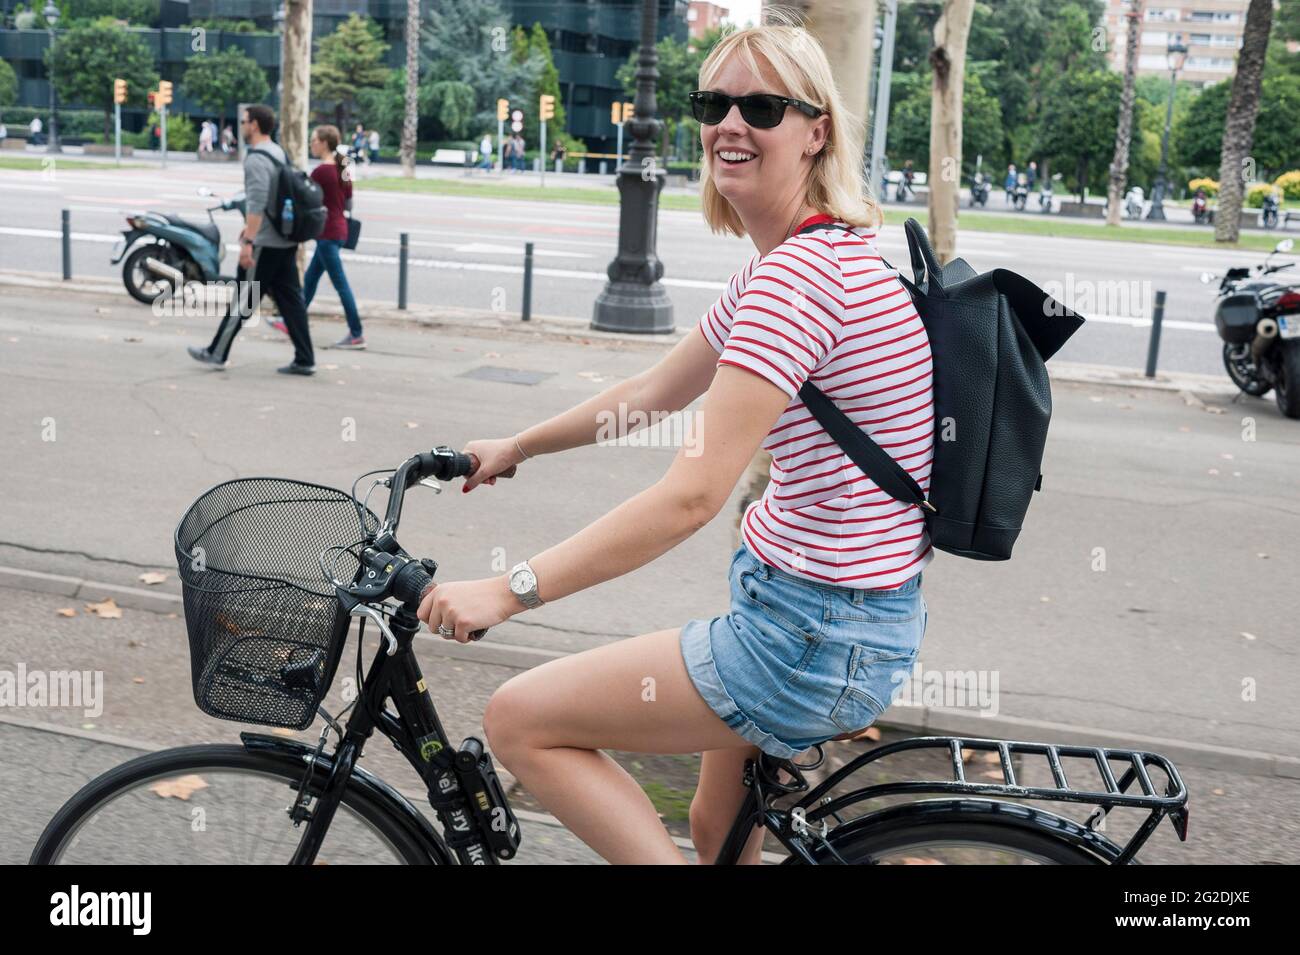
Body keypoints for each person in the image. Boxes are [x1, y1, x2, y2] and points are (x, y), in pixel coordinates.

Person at [418, 16, 933, 864]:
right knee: (717, 832)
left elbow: (689, 497)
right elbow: (649, 394)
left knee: (519, 718)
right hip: (839, 620)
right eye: (715, 102)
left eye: (762, 106)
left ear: (817, 132)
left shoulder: (796, 284)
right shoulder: (814, 257)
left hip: (803, 638)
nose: (731, 124)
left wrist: (509, 590)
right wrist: (517, 443)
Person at [187, 103, 315, 375]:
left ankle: (217, 352)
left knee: (244, 299)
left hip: (265, 244)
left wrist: (248, 242)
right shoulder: (277, 151)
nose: (242, 125)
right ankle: (305, 359)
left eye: (244, 121)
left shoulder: (257, 158)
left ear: (254, 125)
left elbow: (257, 204)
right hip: (284, 240)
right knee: (292, 300)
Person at [302, 124, 365, 349]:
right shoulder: (345, 165)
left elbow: (307, 200)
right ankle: (292, 320)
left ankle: (357, 333)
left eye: (314, 140)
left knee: (341, 285)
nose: (311, 144)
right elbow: (349, 202)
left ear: (324, 143)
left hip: (326, 232)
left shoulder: (320, 172)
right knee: (310, 279)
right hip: (339, 230)